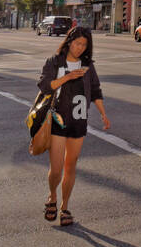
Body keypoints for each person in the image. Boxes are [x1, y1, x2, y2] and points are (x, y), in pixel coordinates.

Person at [37, 26, 109, 227]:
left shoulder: (87, 65)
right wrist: (68, 77)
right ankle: (52, 197)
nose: (80, 48)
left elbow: (95, 89)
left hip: (79, 120)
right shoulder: (55, 62)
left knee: (71, 165)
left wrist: (103, 113)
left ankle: (65, 207)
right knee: (57, 167)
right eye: (77, 43)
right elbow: (44, 85)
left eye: (84, 45)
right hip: (57, 119)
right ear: (69, 41)